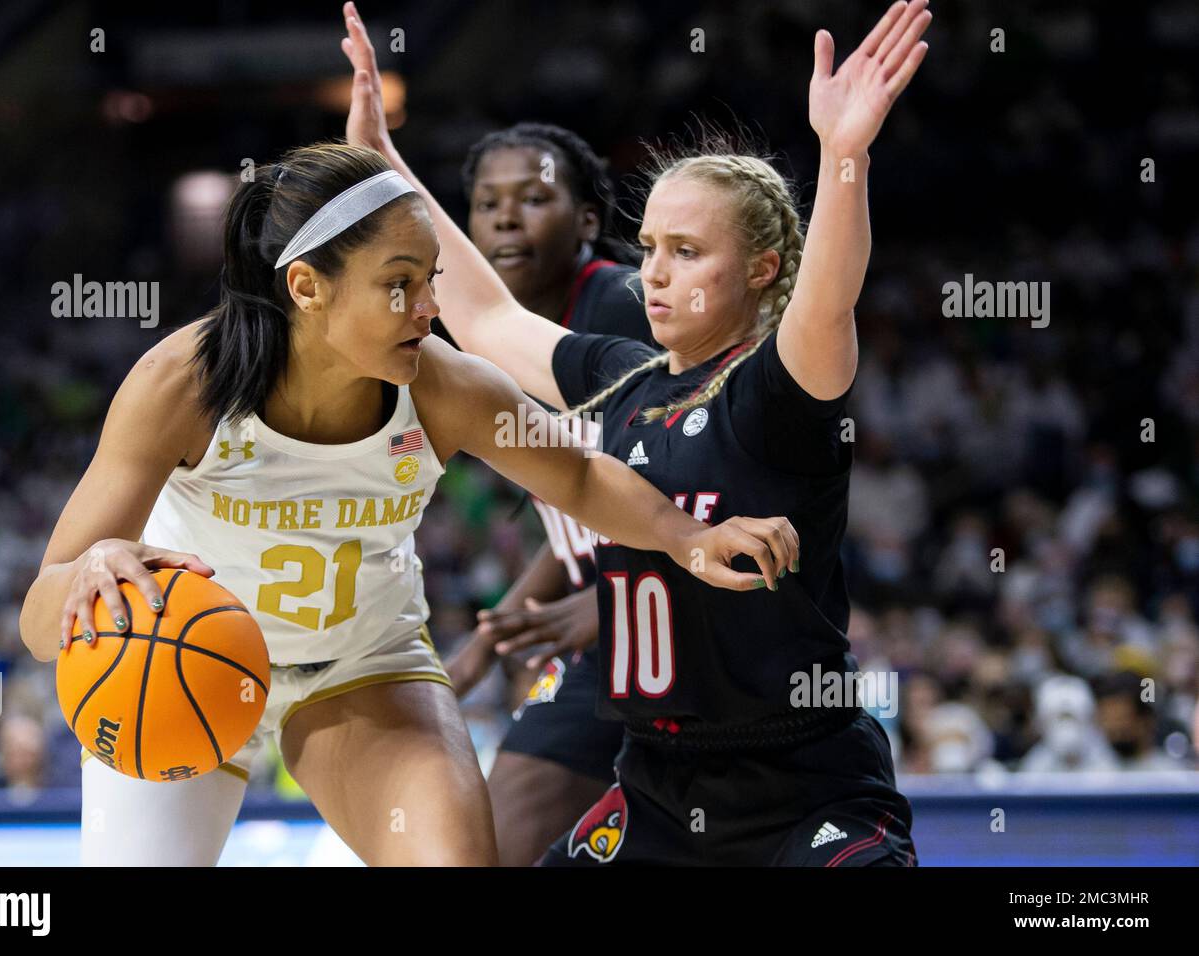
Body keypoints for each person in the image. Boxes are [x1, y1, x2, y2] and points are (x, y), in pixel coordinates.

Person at [18, 139, 797, 866]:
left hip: (361, 670)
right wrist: (91, 567)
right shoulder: (182, 384)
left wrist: (688, 537)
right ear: (306, 287)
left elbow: (583, 478)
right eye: (400, 283)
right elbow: (38, 617)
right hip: (175, 660)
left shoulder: (443, 385)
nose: (429, 307)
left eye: (431, 279)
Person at [341, 0, 930, 864]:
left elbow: (829, 297)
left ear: (762, 269)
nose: (654, 271)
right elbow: (486, 317)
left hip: (801, 782)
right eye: (649, 246)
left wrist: (844, 159)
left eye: (687, 252)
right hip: (655, 782)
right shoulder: (623, 377)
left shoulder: (779, 390)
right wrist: (383, 164)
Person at [440, 122, 652, 865]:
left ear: (587, 220)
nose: (504, 216)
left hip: (690, 619)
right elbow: (580, 523)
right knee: (493, 843)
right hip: (610, 636)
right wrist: (491, 636)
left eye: (534, 197)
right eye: (486, 202)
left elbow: (703, 483)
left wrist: (608, 604)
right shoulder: (503, 343)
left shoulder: (626, 305)